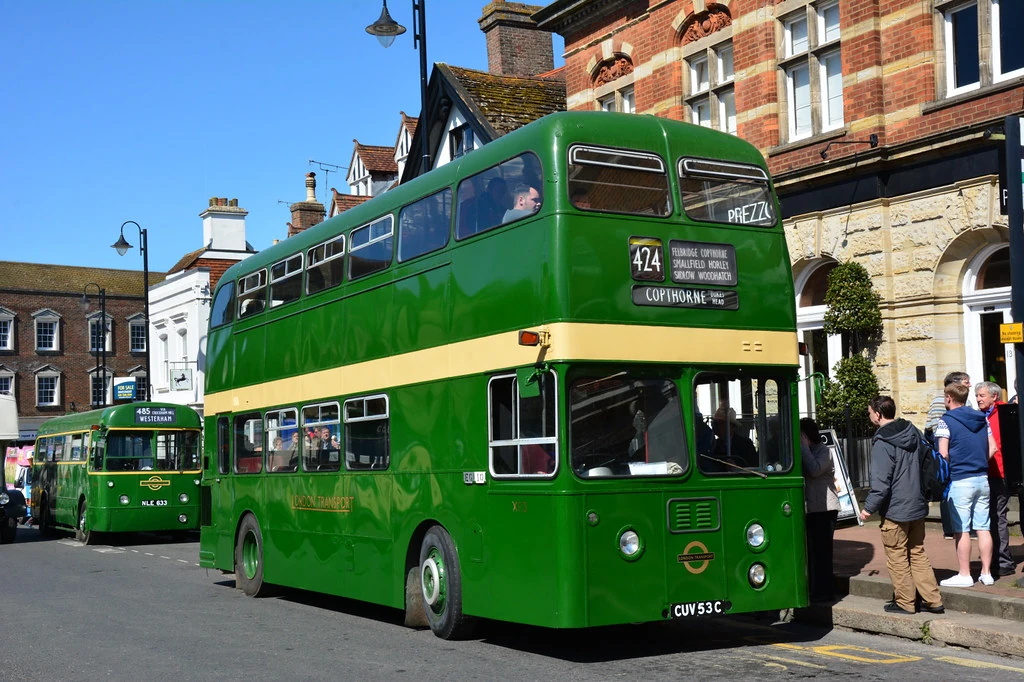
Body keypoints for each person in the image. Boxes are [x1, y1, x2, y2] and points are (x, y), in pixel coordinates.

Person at [860, 395, 944, 614]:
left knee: (897, 556)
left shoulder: (882, 442)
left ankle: (905, 602)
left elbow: (881, 482)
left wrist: (868, 508)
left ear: (878, 414)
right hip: (917, 503)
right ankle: (933, 600)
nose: (869, 416)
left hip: (896, 508)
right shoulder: (911, 431)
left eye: (870, 412)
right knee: (917, 552)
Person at [936, 381, 997, 587]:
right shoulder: (982, 418)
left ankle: (964, 574)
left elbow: (943, 453)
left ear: (949, 398)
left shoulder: (946, 421)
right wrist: (979, 461)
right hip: (982, 478)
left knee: (961, 529)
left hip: (961, 479)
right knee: (983, 527)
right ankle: (987, 573)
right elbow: (993, 448)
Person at [925, 371, 971, 539]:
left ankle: (949, 529)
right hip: (957, 445)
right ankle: (966, 526)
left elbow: (928, 427)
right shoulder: (965, 403)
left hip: (940, 443)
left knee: (945, 484)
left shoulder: (935, 401)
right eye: (966, 382)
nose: (969, 385)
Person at [976, 381, 1015, 577]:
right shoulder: (980, 415)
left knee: (998, 517)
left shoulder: (1004, 414)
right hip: (984, 473)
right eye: (977, 395)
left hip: (999, 473)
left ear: (994, 396)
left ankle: (1004, 561)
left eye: (982, 395)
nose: (978, 398)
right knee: (988, 518)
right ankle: (991, 558)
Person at [800, 417, 840, 601]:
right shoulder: (805, 451)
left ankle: (825, 591)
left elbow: (815, 469)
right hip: (811, 508)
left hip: (825, 509)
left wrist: (804, 448)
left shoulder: (824, 451)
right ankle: (814, 589)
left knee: (823, 552)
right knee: (812, 551)